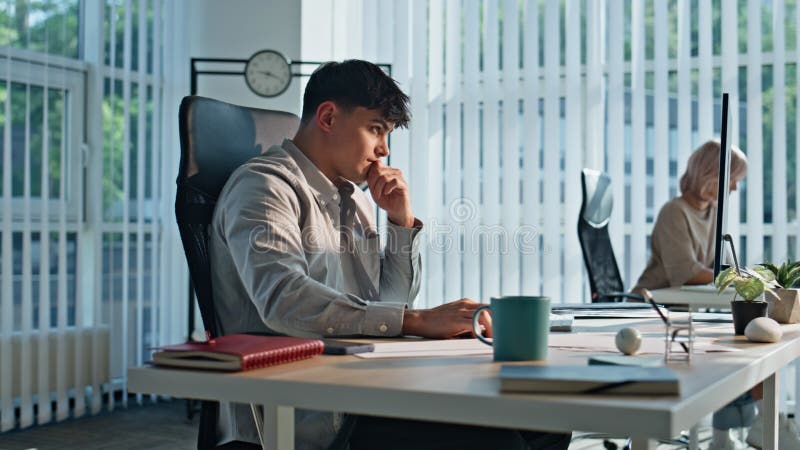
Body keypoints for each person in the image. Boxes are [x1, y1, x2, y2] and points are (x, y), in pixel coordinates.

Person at [209, 60, 571, 450]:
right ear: (328, 117)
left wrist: (400, 221)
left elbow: (390, 305)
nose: (384, 149)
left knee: (546, 422)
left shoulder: (357, 200)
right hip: (309, 410)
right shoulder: (263, 187)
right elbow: (284, 300)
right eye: (376, 129)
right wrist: (417, 321)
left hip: (363, 389)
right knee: (502, 443)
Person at [633, 141, 800, 449]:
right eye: (732, 179)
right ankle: (755, 428)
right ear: (710, 174)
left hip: (688, 309)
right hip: (656, 309)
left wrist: (740, 275)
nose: (734, 188)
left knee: (744, 341)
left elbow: (712, 269)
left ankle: (742, 430)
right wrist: (743, 277)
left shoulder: (711, 212)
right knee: (732, 342)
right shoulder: (674, 212)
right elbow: (686, 272)